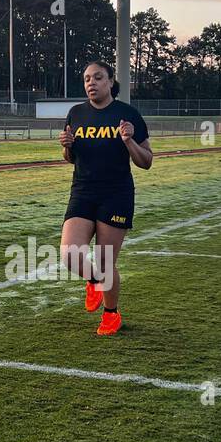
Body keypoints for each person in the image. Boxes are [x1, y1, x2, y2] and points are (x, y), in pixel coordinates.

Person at [57, 61, 153, 336]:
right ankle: (94, 281)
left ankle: (111, 314)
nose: (91, 83)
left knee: (105, 261)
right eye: (87, 78)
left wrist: (129, 142)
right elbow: (71, 159)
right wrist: (67, 147)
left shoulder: (127, 114)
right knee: (69, 253)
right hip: (83, 191)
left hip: (116, 193)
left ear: (111, 82)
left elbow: (146, 161)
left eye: (98, 77)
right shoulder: (76, 114)